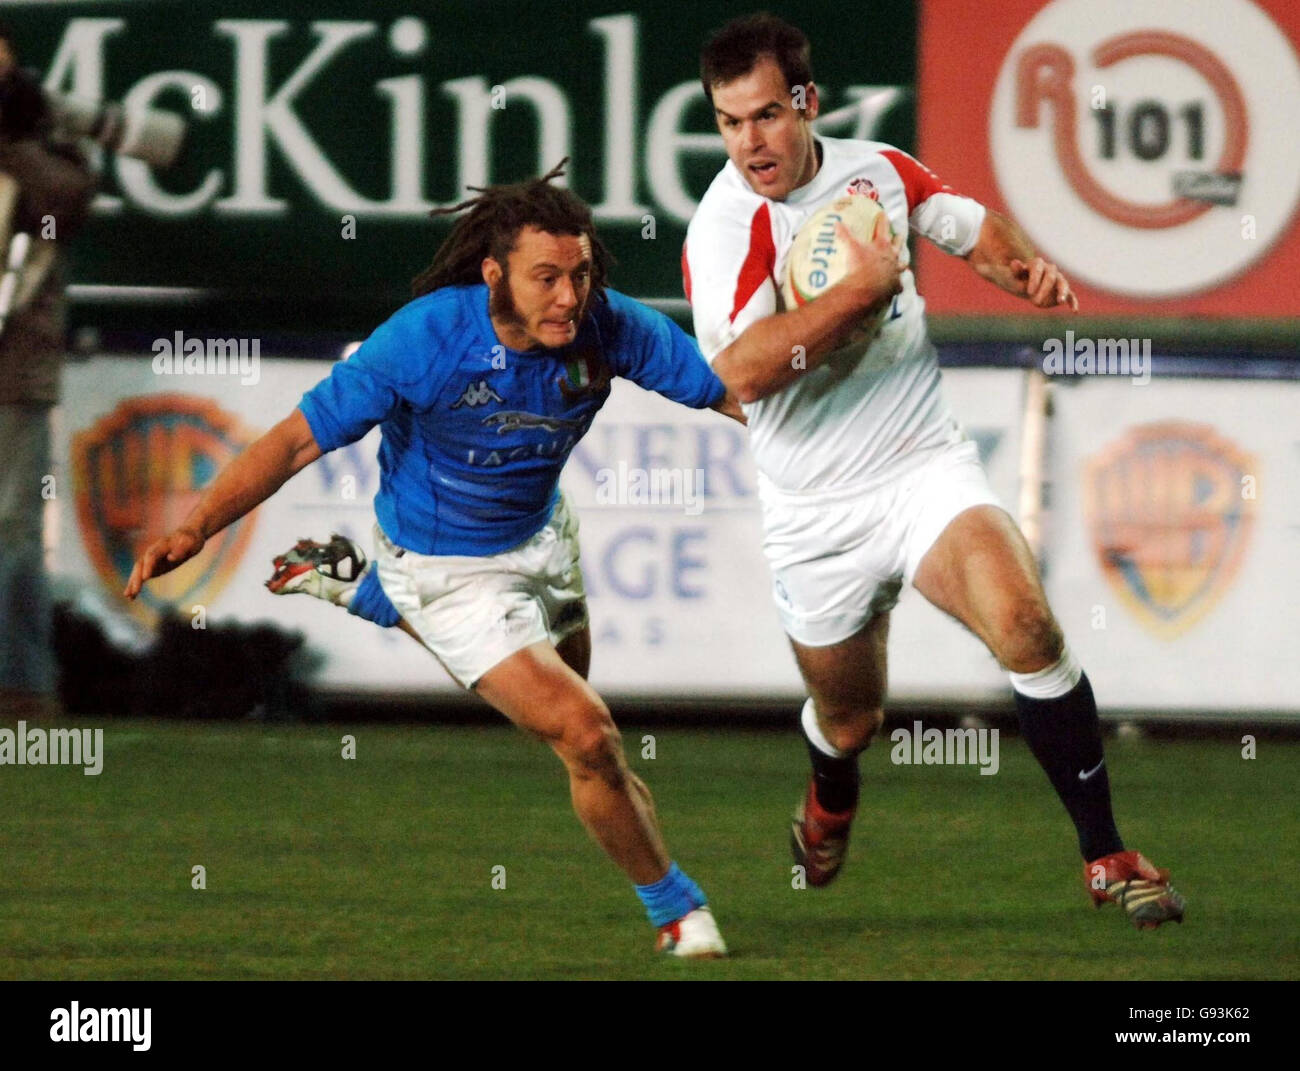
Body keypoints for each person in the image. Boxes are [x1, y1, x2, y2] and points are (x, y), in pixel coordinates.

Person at [126, 165, 743, 957]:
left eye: (581, 274)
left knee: (585, 737)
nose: (568, 296)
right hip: (442, 567)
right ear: (496, 275)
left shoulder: (612, 327)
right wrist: (199, 523)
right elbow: (294, 439)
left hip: (545, 537)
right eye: (546, 278)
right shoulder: (425, 341)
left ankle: (372, 596)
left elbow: (735, 393)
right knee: (586, 736)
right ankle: (679, 912)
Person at [683, 14, 1183, 929]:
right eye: (727, 122)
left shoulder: (876, 169)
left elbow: (962, 223)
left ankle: (1106, 851)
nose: (748, 142)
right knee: (851, 718)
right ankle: (832, 794)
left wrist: (1019, 267)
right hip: (814, 512)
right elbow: (741, 377)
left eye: (764, 115)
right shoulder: (723, 231)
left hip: (922, 468)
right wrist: (858, 294)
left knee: (1027, 626)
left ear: (807, 103)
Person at [0, 24, 97, 720]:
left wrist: (12, 132)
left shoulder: (44, 149)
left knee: (12, 527)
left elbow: (65, 201)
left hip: (13, 367)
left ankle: (21, 684)